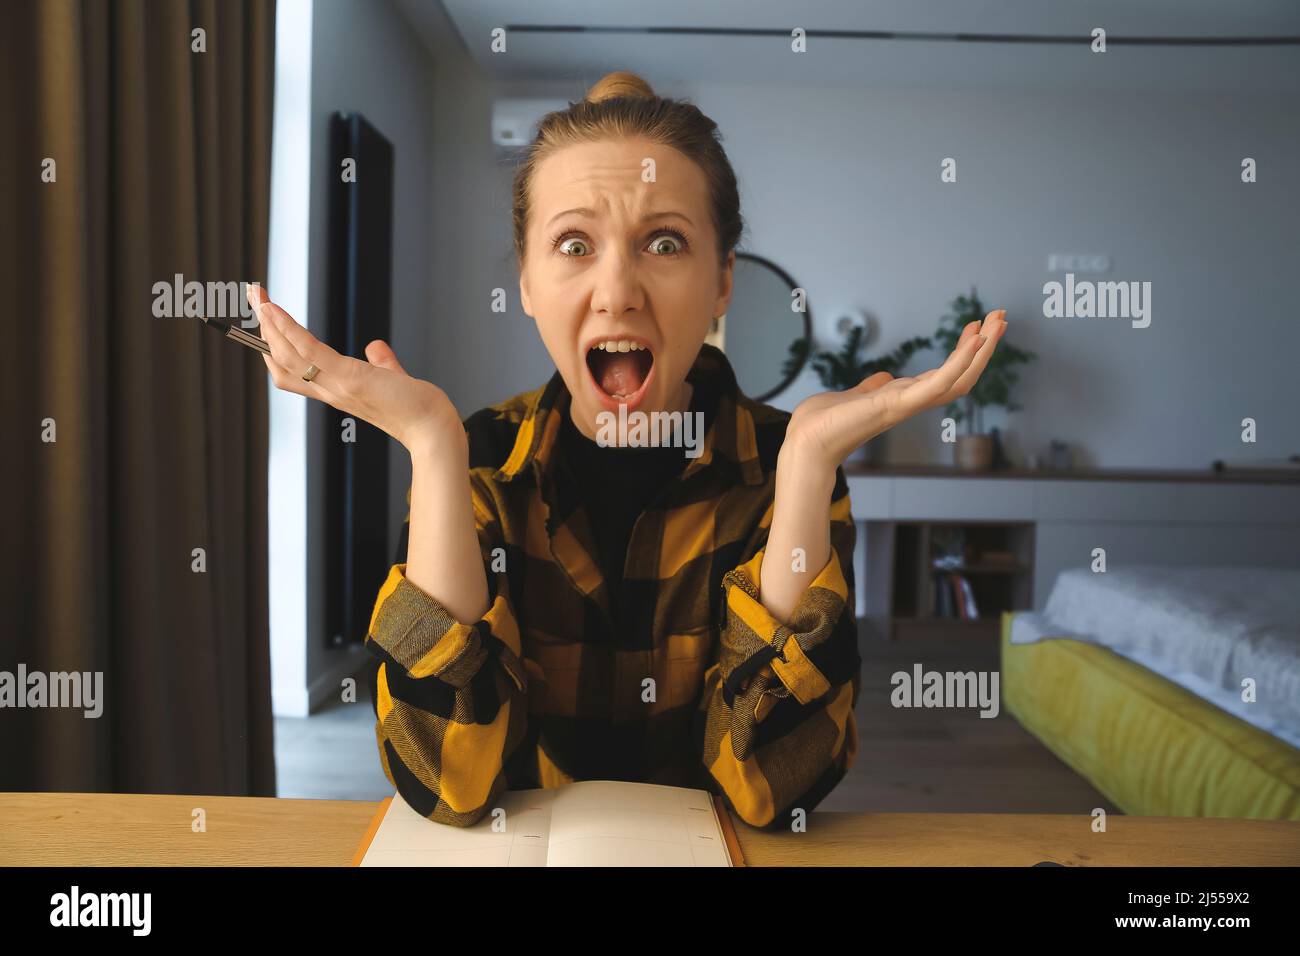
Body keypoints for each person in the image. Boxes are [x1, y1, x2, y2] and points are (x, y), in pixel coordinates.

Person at [249, 71, 1006, 829]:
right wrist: (432, 444)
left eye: (665, 243)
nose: (617, 291)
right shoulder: (477, 456)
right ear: (527, 283)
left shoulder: (787, 464)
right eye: (574, 244)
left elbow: (775, 791)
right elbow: (448, 785)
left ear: (722, 283)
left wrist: (806, 466)